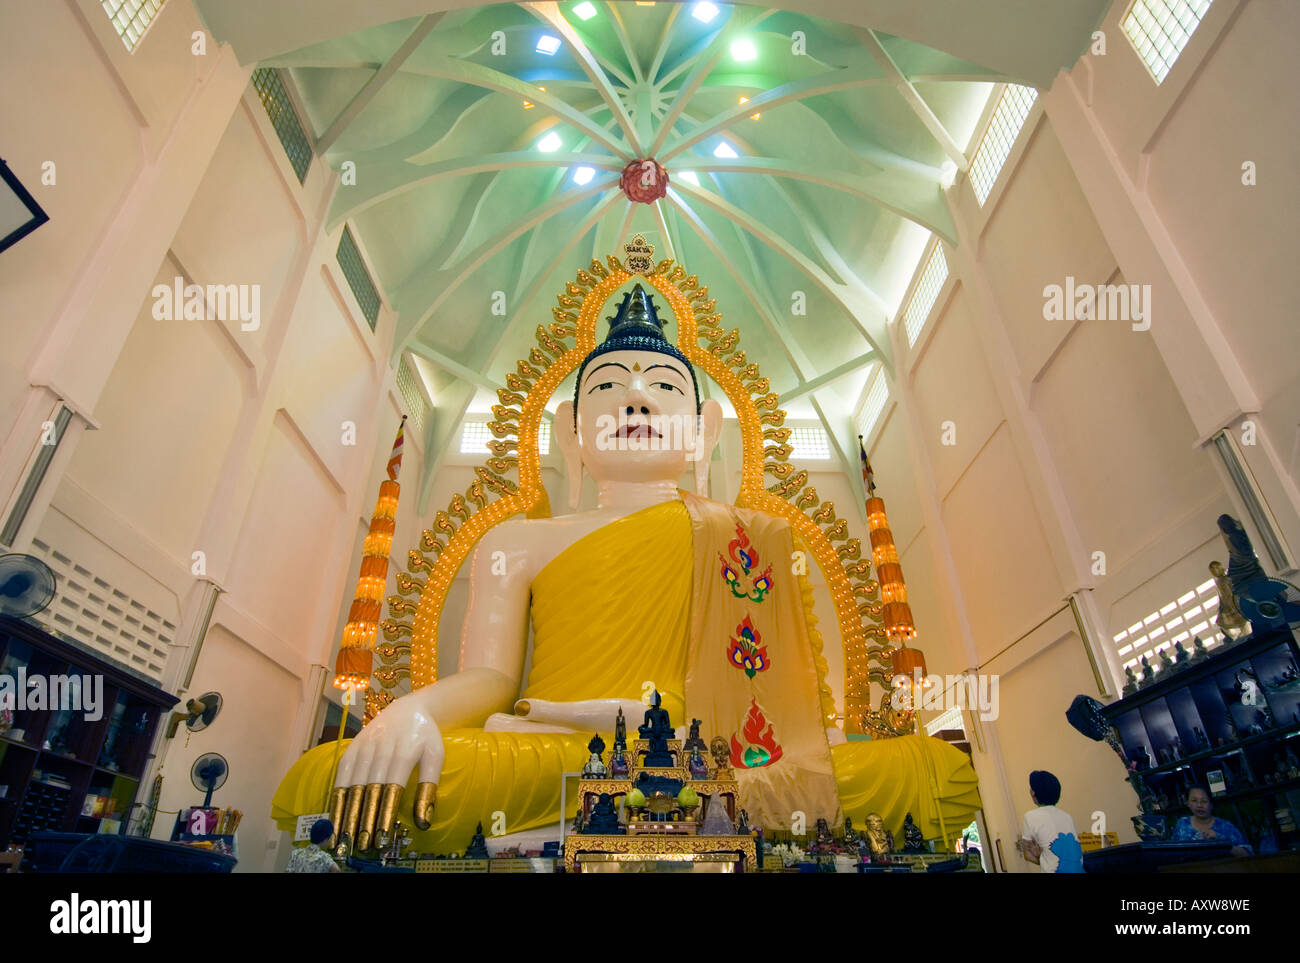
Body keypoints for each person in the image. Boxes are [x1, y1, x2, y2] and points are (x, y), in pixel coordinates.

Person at [272, 283, 981, 853]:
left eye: (664, 387)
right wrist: (412, 710)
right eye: (610, 386)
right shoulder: (517, 539)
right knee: (344, 775)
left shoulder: (756, 535)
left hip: (718, 758)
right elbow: (491, 681)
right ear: (570, 434)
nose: (636, 398)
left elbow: (789, 707)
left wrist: (799, 742)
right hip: (562, 752)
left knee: (926, 769)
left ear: (704, 432)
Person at [1017, 770, 1083, 873]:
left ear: (1033, 792)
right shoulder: (1067, 817)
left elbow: (1028, 854)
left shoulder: (1030, 817)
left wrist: (1042, 858)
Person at [1170, 786, 1251, 857]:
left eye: (1204, 801)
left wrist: (1221, 843)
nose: (1199, 805)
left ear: (1211, 804)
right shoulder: (1182, 824)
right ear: (1188, 803)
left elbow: (1247, 854)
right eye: (1194, 801)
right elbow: (1172, 854)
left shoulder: (1225, 826)